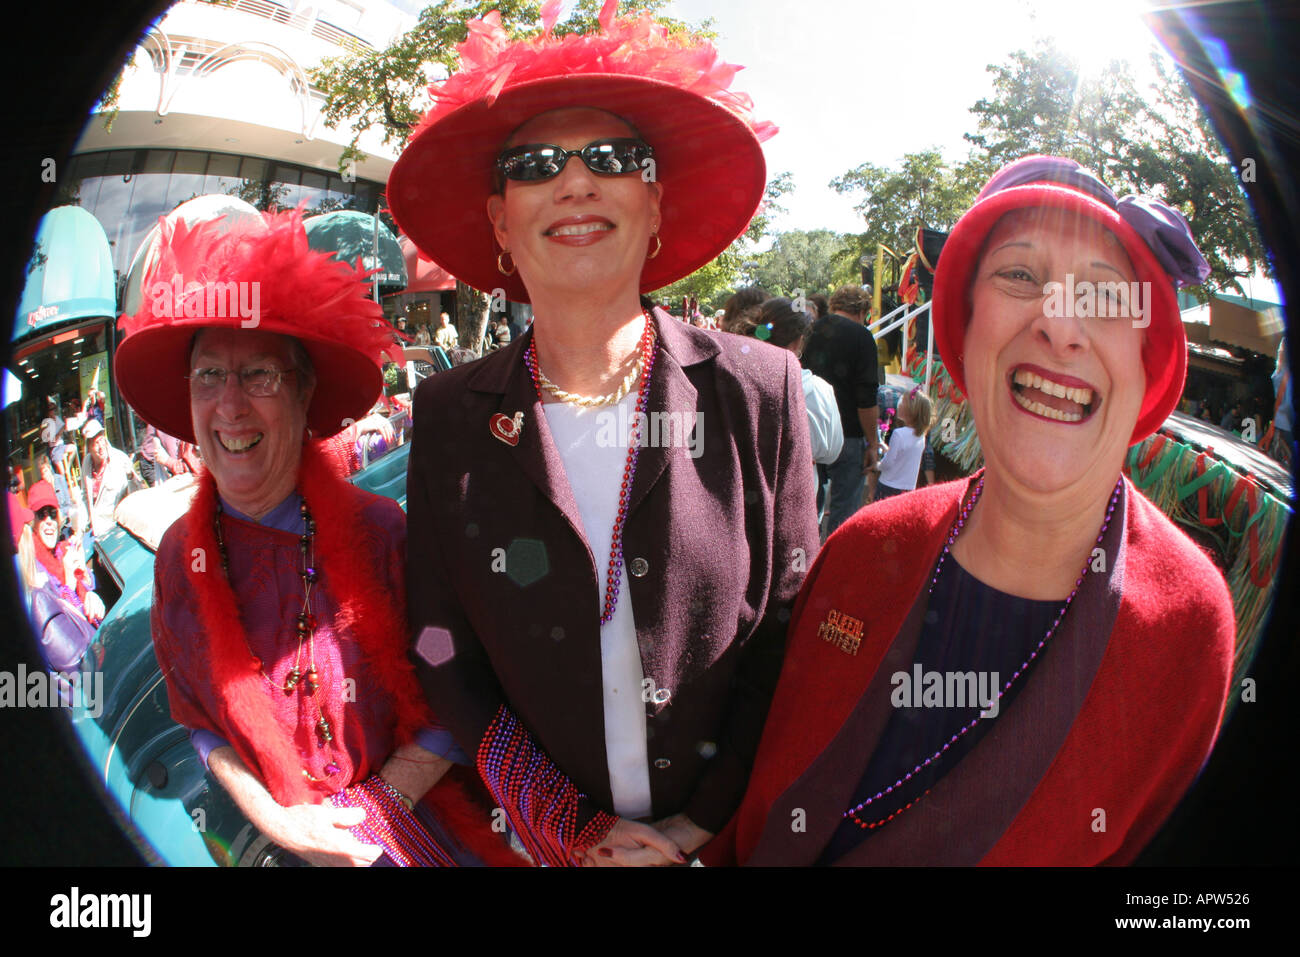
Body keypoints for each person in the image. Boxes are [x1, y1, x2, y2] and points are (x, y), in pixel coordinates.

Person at [707, 155, 1234, 866]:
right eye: (1020, 275)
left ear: (1148, 360)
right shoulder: (861, 549)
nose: (1062, 325)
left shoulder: (1187, 626)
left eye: (1109, 296)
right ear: (968, 325)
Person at [387, 7, 818, 867]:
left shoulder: (760, 389)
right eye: (536, 165)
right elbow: (441, 651)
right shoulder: (444, 416)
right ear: (502, 224)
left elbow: (792, 633)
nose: (576, 183)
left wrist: (700, 827)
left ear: (654, 205)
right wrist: (568, 827)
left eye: (613, 159)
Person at [113, 209, 518, 867]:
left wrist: (378, 809)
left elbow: (459, 684)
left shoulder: (383, 534)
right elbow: (200, 724)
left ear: (304, 395)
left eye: (260, 374)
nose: (231, 404)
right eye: (210, 373)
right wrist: (276, 817)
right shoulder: (176, 566)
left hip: (420, 836)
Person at [803, 284, 880, 534]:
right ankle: (833, 564)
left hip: (811, 429)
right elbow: (866, 397)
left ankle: (805, 559)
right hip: (849, 435)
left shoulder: (809, 330)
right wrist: (873, 442)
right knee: (844, 510)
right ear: (862, 311)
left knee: (807, 505)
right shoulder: (861, 336)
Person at [736, 298, 843, 470]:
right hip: (798, 488)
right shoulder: (818, 390)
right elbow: (831, 452)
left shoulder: (734, 381)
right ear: (799, 341)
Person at [80, 419, 142, 550]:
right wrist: (82, 524)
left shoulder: (119, 459)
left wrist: (131, 477)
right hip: (96, 531)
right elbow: (85, 495)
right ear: (89, 447)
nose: (101, 446)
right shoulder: (87, 462)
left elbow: (136, 494)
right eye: (96, 443)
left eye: (102, 440)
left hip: (117, 530)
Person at [873, 386, 933, 502]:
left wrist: (876, 465)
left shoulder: (898, 434)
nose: (899, 404)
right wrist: (887, 450)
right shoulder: (921, 436)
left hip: (888, 487)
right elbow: (905, 456)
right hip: (908, 489)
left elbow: (888, 464)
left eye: (903, 402)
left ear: (911, 411)